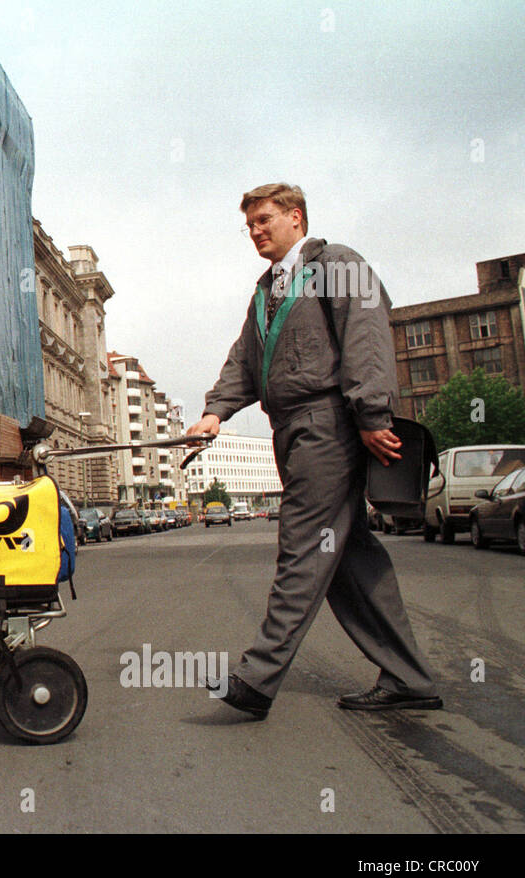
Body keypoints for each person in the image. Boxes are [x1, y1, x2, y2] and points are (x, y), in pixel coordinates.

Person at [188, 183, 441, 719]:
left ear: (295, 218)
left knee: (304, 545)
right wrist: (215, 412)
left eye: (264, 219)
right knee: (349, 558)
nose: (256, 231)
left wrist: (372, 415)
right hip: (292, 430)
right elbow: (243, 361)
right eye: (250, 224)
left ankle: (257, 679)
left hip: (329, 425)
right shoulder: (266, 290)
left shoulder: (337, 264)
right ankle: (409, 678)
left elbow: (367, 336)